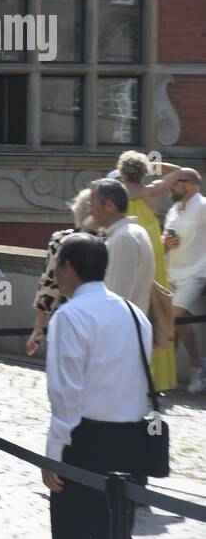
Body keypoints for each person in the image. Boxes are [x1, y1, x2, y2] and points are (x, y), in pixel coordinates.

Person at [44, 232, 152, 539]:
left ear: (68, 269)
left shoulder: (70, 315)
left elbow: (66, 395)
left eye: (57, 265)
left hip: (84, 442)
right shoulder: (136, 314)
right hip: (132, 441)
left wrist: (53, 453)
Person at [117, 151, 194, 391]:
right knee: (156, 311)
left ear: (121, 171)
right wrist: (154, 165)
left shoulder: (114, 192)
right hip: (153, 256)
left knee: (125, 308)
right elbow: (182, 172)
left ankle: (126, 373)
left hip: (126, 251)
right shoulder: (152, 192)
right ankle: (153, 376)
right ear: (142, 172)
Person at [28, 188, 96, 357]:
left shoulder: (61, 240)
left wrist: (38, 328)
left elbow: (49, 285)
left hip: (68, 317)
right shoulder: (109, 239)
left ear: (76, 212)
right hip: (100, 318)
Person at [89, 178, 155, 323]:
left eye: (92, 205)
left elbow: (117, 298)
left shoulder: (123, 238)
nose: (90, 210)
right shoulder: (133, 232)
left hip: (120, 335)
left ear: (109, 205)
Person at [165, 169, 206, 392]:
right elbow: (164, 239)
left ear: (190, 185)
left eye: (174, 182)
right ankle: (168, 374)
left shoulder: (202, 207)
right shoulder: (173, 209)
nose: (170, 186)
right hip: (172, 273)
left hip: (195, 275)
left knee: (173, 318)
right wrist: (166, 243)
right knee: (175, 322)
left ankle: (197, 367)